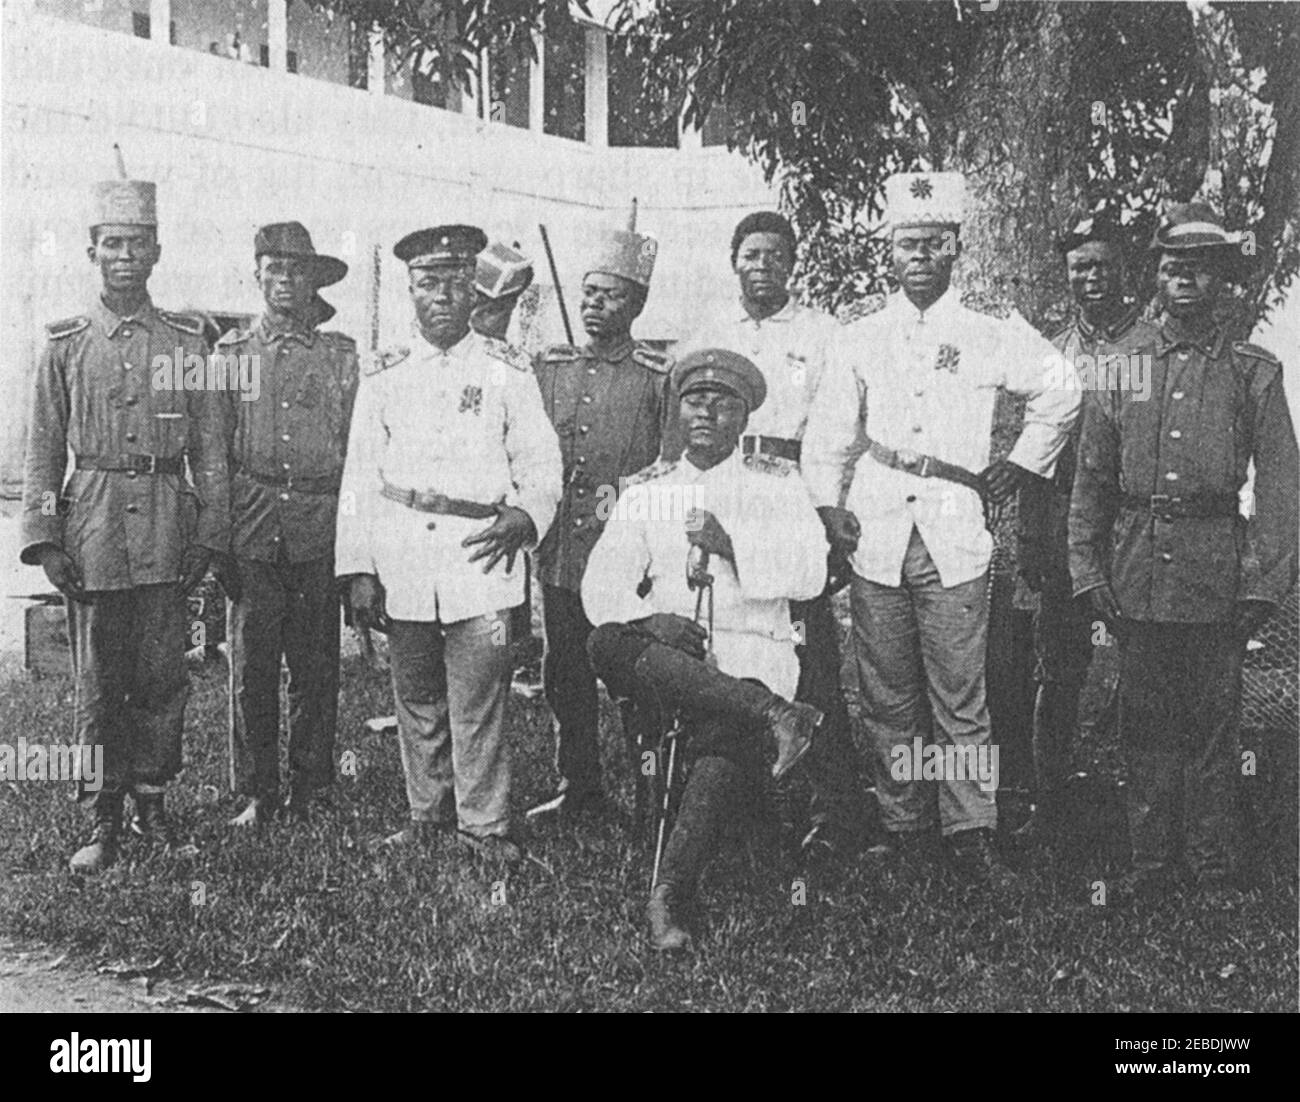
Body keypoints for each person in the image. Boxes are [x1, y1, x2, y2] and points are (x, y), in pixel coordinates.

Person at [802, 172, 1080, 886]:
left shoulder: (988, 329)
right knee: (887, 690)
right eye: (907, 244)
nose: (920, 255)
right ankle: (903, 827)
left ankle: (972, 829)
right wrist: (829, 510)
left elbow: (1061, 387)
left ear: (955, 249)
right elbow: (831, 433)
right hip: (877, 527)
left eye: (934, 243)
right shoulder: (861, 334)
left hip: (955, 531)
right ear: (889, 254)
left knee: (961, 690)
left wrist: (1020, 464)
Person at [1069, 202, 1298, 901]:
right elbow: (1092, 479)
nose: (1185, 284)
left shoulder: (1253, 373)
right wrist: (1086, 566)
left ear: (1223, 283)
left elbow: (1283, 488)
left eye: (1200, 272)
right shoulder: (1122, 368)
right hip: (1138, 563)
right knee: (1143, 723)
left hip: (1216, 572)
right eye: (1173, 270)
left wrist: (1261, 584)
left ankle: (1214, 863)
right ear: (1157, 279)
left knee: (1212, 724)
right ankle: (1150, 859)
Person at [19, 172, 230, 873]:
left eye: (137, 245)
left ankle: (153, 805)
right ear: (91, 251)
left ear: (157, 251)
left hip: (169, 523)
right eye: (112, 244)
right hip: (96, 529)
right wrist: (46, 540)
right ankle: (101, 818)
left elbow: (210, 449)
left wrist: (210, 531)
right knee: (100, 679)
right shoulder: (65, 344)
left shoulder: (189, 341)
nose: (124, 257)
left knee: (163, 674)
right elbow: (43, 451)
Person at [585, 349, 828, 950]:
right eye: (695, 401)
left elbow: (811, 575)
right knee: (604, 640)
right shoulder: (646, 492)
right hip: (672, 655)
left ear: (744, 417)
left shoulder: (778, 486)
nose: (706, 414)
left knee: (718, 729)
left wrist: (733, 544)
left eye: (723, 404)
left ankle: (669, 895)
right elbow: (600, 587)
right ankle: (773, 714)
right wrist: (654, 620)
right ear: (677, 409)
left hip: (755, 649)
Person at [336, 224, 562, 863]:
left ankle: (484, 825)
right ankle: (426, 813)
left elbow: (542, 466)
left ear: (474, 290)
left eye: (455, 282)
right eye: (427, 283)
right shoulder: (384, 375)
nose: (441, 295)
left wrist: (527, 516)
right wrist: (358, 568)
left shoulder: (506, 372)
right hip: (404, 557)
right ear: (410, 290)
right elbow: (360, 476)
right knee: (416, 697)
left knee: (478, 697)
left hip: (479, 556)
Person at [674, 210, 867, 863]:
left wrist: (823, 511)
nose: (764, 266)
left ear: (794, 262)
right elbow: (685, 420)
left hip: (789, 485)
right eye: (752, 255)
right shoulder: (708, 329)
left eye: (776, 255)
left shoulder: (820, 333)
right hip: (724, 483)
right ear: (735, 261)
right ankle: (735, 795)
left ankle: (836, 808)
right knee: (727, 633)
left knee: (809, 649)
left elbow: (835, 431)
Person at [526, 205, 674, 825]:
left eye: (610, 297)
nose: (594, 306)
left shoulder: (655, 378)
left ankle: (649, 794)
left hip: (623, 554)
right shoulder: (550, 368)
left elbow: (667, 467)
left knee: (633, 677)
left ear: (635, 306)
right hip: (562, 549)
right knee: (565, 670)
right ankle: (579, 786)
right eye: (587, 294)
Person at [1013, 214, 1158, 845]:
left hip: (1133, 531)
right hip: (1061, 532)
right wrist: (1032, 549)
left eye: (1102, 264)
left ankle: (1149, 804)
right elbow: (1035, 460)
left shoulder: (1152, 346)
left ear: (1123, 269)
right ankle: (1052, 800)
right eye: (1080, 267)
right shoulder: (1052, 354)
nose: (1092, 277)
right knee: (1060, 668)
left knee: (1146, 665)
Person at [219, 223, 358, 828]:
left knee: (315, 664)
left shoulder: (341, 358)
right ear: (256, 275)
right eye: (273, 268)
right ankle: (256, 791)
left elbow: (357, 454)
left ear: (314, 281)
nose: (284, 281)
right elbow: (212, 452)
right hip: (250, 526)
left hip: (317, 526)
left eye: (296, 270)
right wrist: (218, 539)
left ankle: (313, 785)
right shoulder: (228, 357)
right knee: (251, 665)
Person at [470, 240, 544, 696]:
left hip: (503, 500)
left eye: (502, 311)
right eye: (485, 308)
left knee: (502, 586)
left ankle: (513, 656)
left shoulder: (512, 366)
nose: (490, 321)